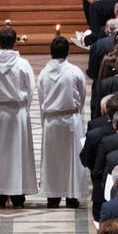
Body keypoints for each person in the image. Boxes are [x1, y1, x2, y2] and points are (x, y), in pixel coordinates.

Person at [0, 27, 36, 208]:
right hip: (16, 113)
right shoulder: (22, 64)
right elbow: (31, 88)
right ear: (15, 41)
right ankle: (18, 194)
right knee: (18, 153)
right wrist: (23, 106)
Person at [38, 36, 87, 208]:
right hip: (70, 119)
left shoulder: (44, 73)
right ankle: (71, 196)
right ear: (68, 51)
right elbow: (82, 97)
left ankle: (53, 196)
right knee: (72, 159)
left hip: (51, 119)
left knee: (53, 160)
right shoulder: (75, 71)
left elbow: (41, 97)